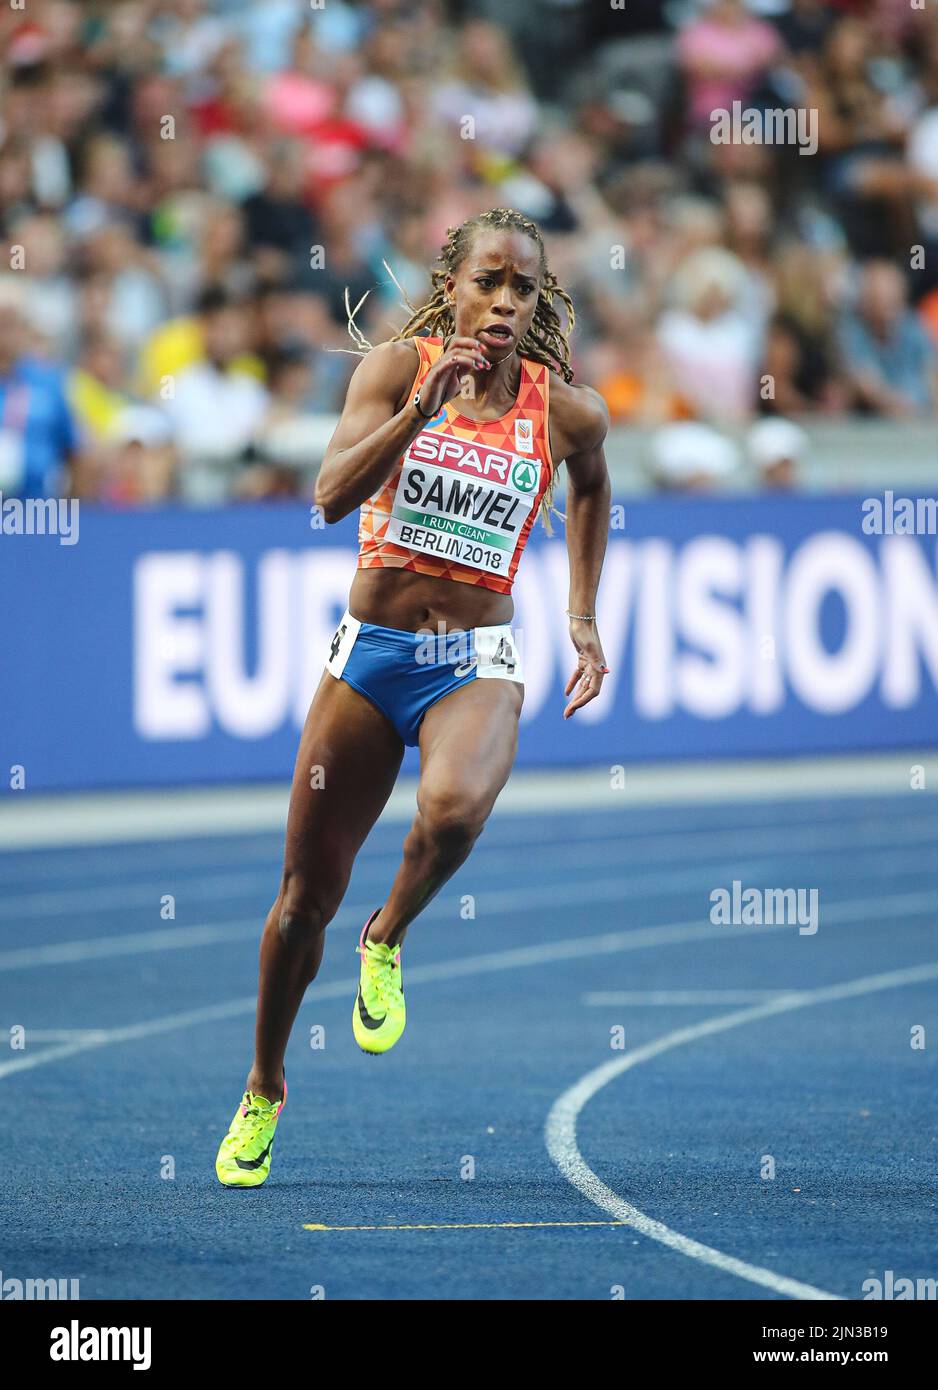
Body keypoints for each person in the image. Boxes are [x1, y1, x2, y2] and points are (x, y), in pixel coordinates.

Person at [215, 207, 611, 1187]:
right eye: (488, 281)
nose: (504, 301)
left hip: (471, 658)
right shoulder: (395, 368)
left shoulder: (565, 409)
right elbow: (328, 496)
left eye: (522, 287)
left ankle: (386, 932)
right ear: (452, 284)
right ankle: (265, 1085)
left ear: (539, 300)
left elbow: (595, 485)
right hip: (372, 655)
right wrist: (415, 416)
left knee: (449, 811)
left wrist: (582, 614)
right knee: (302, 899)